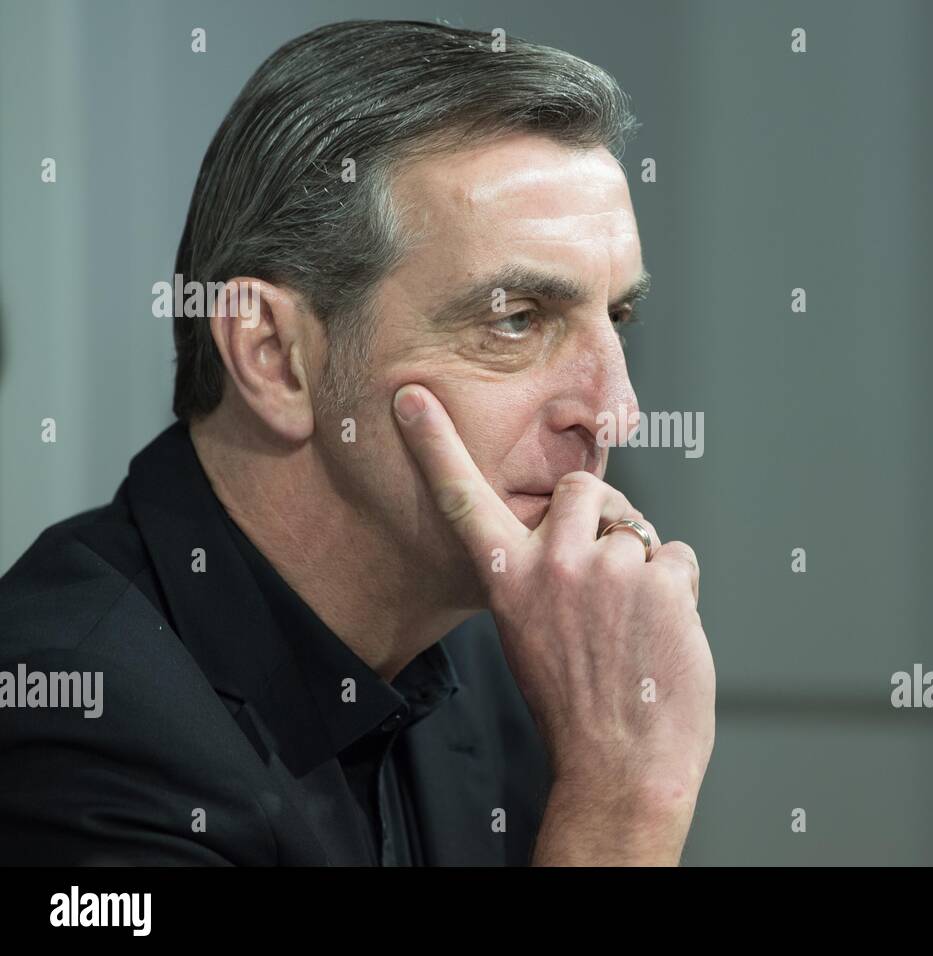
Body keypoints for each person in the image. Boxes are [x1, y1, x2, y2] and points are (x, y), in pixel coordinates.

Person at [0, 19, 715, 866]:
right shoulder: (71, 716)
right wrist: (620, 802)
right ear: (274, 356)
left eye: (617, 317)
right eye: (517, 320)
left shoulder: (502, 648)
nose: (616, 413)